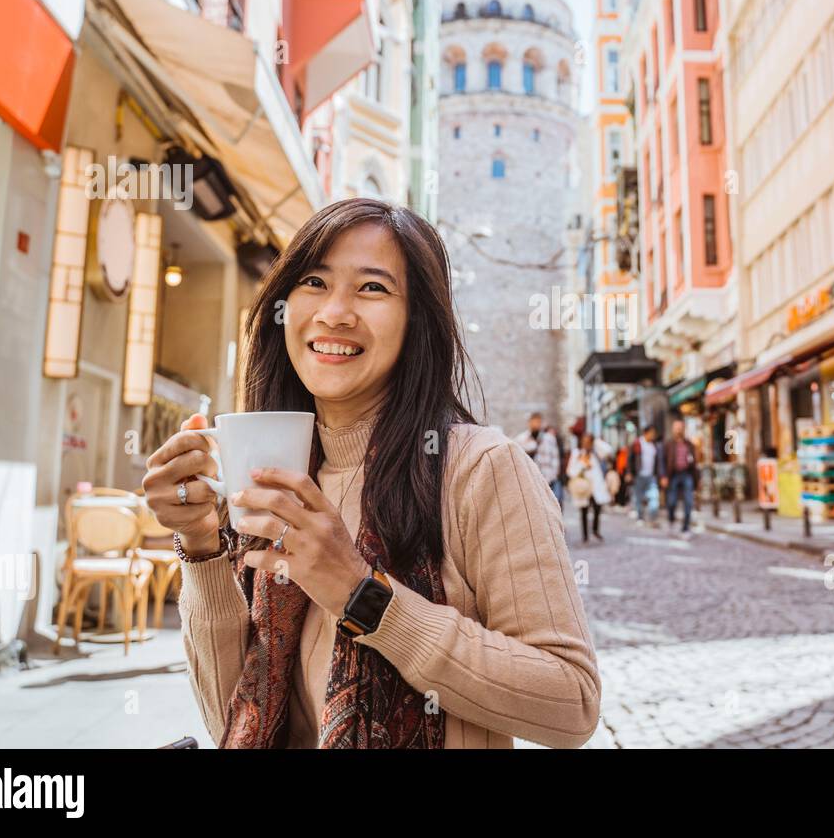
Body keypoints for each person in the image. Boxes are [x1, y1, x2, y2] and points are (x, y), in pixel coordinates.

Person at [141, 197, 600, 749]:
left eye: (372, 288)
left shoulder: (481, 469)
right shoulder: (275, 473)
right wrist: (199, 544)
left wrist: (362, 595)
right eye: (314, 281)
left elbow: (572, 704)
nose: (334, 312)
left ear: (417, 321)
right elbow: (234, 721)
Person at [567, 432, 613, 543]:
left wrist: (596, 441)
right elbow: (570, 471)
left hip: (596, 487)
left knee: (597, 508)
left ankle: (595, 530)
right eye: (585, 441)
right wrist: (583, 465)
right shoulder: (577, 453)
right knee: (584, 510)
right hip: (584, 486)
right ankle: (585, 535)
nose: (586, 444)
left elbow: (608, 450)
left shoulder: (596, 453)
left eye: (589, 441)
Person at [513, 412, 562, 507]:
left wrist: (552, 477)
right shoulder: (521, 439)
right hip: (529, 481)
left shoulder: (549, 439)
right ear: (529, 423)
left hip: (547, 480)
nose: (536, 424)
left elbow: (555, 459)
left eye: (538, 422)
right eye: (534, 422)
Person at [662, 419, 698, 536]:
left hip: (687, 474)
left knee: (688, 501)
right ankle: (671, 520)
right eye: (676, 427)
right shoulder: (668, 444)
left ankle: (686, 528)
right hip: (673, 475)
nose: (678, 430)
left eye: (680, 427)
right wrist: (663, 476)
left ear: (683, 429)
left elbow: (694, 462)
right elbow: (662, 461)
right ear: (673, 429)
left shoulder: (689, 444)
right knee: (671, 501)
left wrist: (697, 478)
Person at [625, 425, 665, 527]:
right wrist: (629, 472)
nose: (653, 435)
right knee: (638, 497)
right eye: (652, 433)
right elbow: (630, 459)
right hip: (639, 475)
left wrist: (660, 475)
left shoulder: (654, 445)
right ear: (646, 433)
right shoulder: (637, 443)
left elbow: (658, 461)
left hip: (651, 476)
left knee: (654, 497)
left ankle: (652, 518)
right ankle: (640, 517)